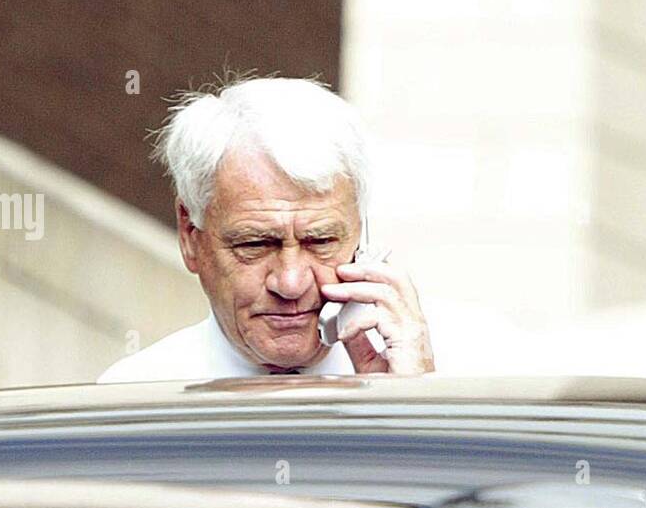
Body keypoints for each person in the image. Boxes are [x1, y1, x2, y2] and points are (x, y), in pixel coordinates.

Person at [99, 76, 434, 382]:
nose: (290, 283)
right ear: (190, 237)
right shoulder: (130, 397)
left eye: (320, 241)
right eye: (256, 244)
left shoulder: (440, 375)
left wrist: (410, 413)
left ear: (360, 236)